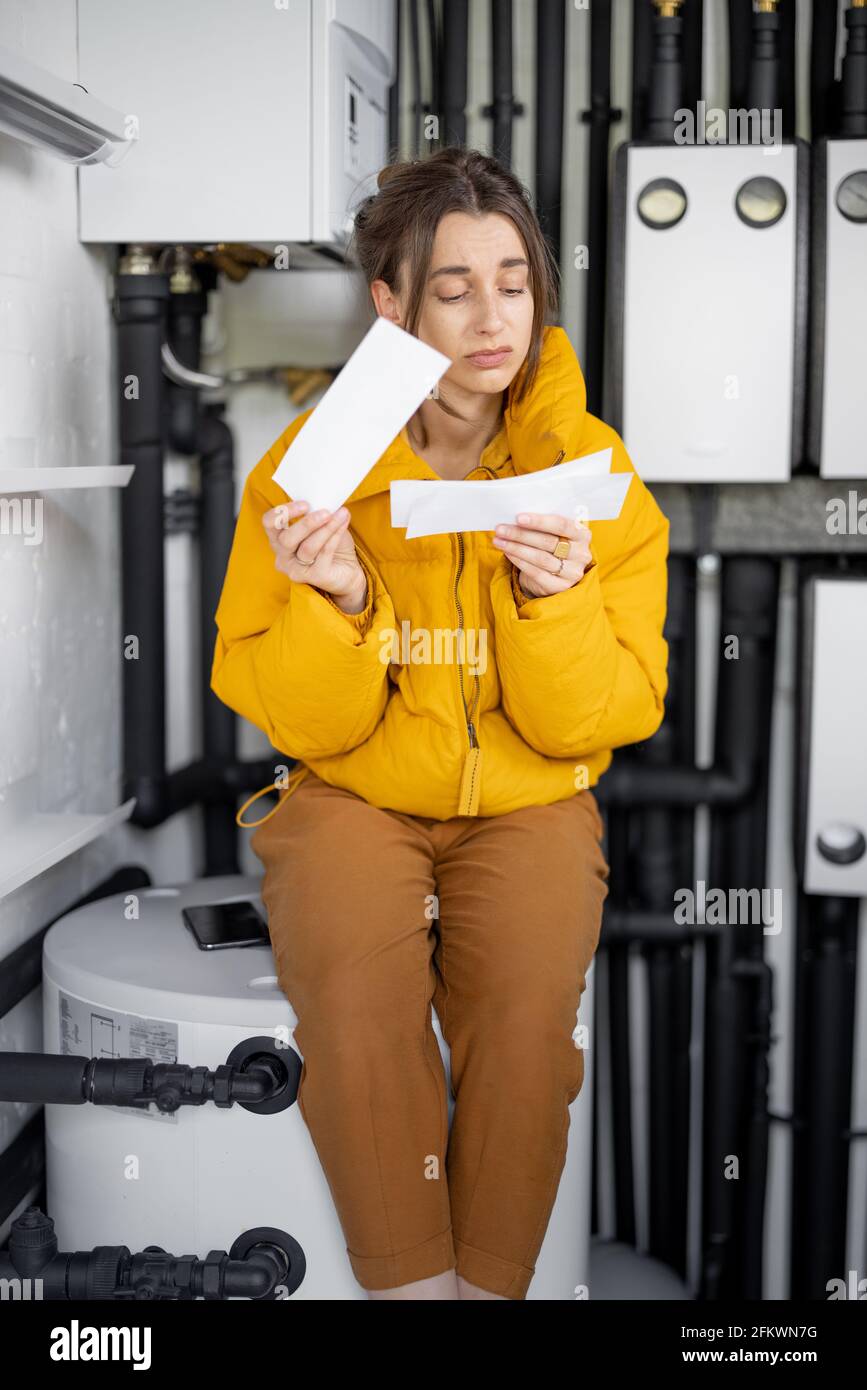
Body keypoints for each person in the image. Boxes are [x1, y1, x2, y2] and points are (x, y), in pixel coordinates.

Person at [211, 146, 669, 1301]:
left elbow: (606, 714)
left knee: (526, 1035)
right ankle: (410, 1288)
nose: (490, 316)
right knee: (358, 1010)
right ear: (390, 303)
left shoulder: (591, 471)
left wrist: (553, 601)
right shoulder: (308, 473)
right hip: (354, 795)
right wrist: (342, 603)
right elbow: (291, 711)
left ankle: (493, 1286)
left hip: (528, 800)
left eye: (512, 281)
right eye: (452, 288)